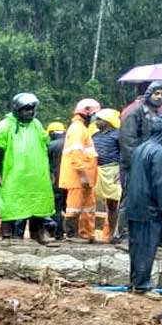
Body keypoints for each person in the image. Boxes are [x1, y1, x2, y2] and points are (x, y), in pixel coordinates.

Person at [0, 93, 56, 245]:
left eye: (32, 109)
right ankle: (6, 235)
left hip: (35, 174)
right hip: (13, 174)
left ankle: (38, 234)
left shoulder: (36, 125)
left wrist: (51, 171)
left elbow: (46, 147)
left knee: (37, 203)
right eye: (27, 109)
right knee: (11, 203)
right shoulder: (4, 126)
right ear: (18, 109)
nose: (30, 112)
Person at [124, 115, 162, 295]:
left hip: (133, 205)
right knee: (147, 247)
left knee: (135, 246)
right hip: (150, 208)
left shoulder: (139, 149)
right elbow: (161, 182)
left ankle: (134, 282)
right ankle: (142, 285)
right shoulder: (160, 153)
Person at [118, 81, 162, 244]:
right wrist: (136, 165)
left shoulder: (160, 116)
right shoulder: (134, 113)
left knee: (151, 198)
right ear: (149, 94)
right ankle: (123, 233)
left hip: (153, 163)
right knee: (130, 197)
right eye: (156, 93)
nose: (160, 97)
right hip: (133, 164)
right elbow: (127, 142)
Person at [59, 99, 102, 243]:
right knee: (75, 207)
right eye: (95, 114)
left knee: (88, 207)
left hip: (85, 177)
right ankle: (72, 234)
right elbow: (76, 154)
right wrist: (83, 175)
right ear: (86, 112)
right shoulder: (77, 129)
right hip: (78, 177)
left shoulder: (82, 128)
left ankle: (86, 233)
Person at [92, 108, 123, 242]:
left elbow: (124, 153)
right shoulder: (95, 136)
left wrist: (121, 172)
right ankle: (89, 232)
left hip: (113, 171)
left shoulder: (118, 135)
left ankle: (112, 234)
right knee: (92, 201)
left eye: (99, 119)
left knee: (112, 204)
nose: (96, 122)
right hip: (97, 170)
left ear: (108, 121)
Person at [45, 122, 67, 240]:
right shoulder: (71, 143)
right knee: (70, 207)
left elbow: (45, 164)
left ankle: (57, 233)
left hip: (55, 180)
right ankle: (73, 232)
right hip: (72, 181)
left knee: (56, 207)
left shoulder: (50, 145)